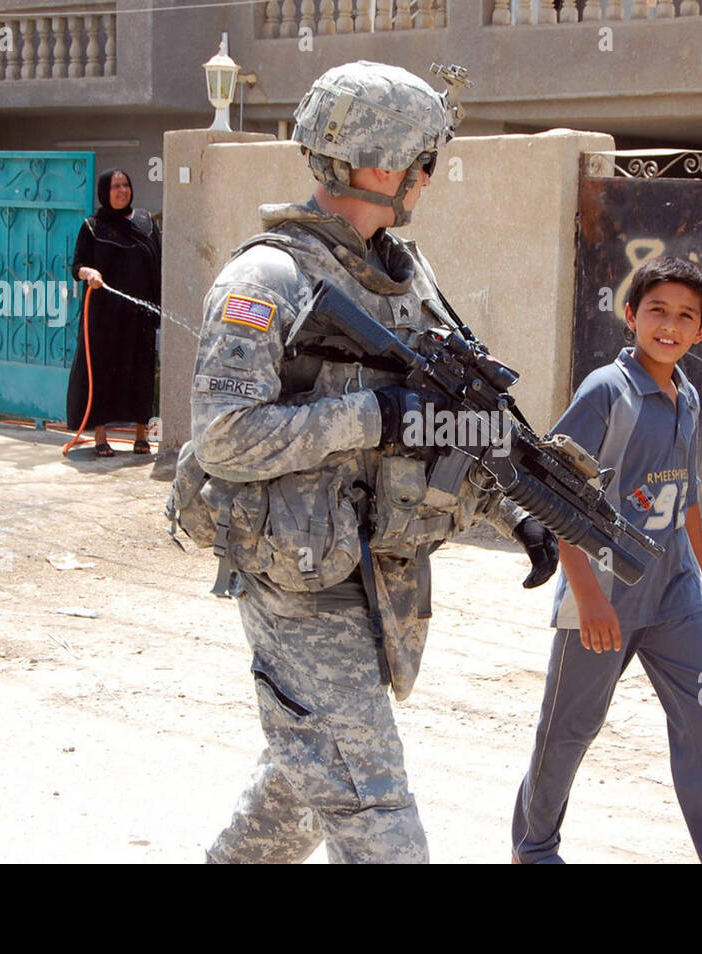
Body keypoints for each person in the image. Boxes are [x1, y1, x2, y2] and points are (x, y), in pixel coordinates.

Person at [191, 61, 558, 864]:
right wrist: (373, 415)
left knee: (305, 776)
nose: (429, 181)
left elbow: (447, 417)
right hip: (297, 576)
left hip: (377, 568)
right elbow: (224, 434)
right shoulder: (266, 281)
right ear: (384, 166)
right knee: (373, 803)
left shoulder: (404, 275)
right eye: (425, 163)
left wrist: (516, 510)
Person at [511, 255, 702, 864]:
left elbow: (688, 493)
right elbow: (557, 491)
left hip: (673, 593)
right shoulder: (606, 391)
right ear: (631, 315)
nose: (669, 326)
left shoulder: (688, 395)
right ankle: (533, 849)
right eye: (657, 311)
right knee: (569, 730)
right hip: (603, 595)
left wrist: (700, 577)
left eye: (685, 316)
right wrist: (590, 598)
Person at [66, 168, 162, 457]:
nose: (121, 191)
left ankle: (141, 435)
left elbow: (157, 263)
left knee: (140, 372)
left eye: (125, 185)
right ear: (104, 193)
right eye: (115, 187)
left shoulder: (146, 222)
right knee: (104, 372)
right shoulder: (93, 226)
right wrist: (90, 272)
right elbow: (76, 267)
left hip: (139, 314)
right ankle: (100, 437)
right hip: (104, 317)